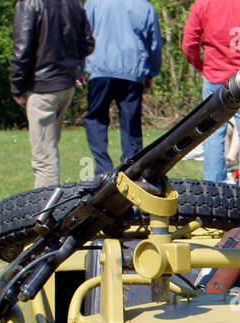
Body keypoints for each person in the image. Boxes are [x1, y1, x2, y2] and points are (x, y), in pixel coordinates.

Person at [182, 0, 240, 190]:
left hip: (215, 76)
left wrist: (200, 66)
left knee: (213, 131)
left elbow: (189, 43)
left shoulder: (204, 4)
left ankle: (215, 185)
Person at [10, 0, 95, 188]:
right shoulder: (74, 3)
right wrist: (73, 65)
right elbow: (88, 43)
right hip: (66, 85)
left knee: (44, 158)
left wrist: (17, 87)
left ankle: (46, 210)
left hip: (42, 88)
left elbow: (21, 51)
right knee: (50, 147)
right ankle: (48, 207)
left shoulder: (28, 3)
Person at [83, 0, 164, 177]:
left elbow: (82, 32)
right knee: (131, 120)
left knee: (96, 117)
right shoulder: (145, 6)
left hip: (100, 67)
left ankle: (103, 167)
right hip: (132, 70)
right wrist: (151, 72)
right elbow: (155, 43)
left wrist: (80, 64)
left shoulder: (94, 3)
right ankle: (131, 166)